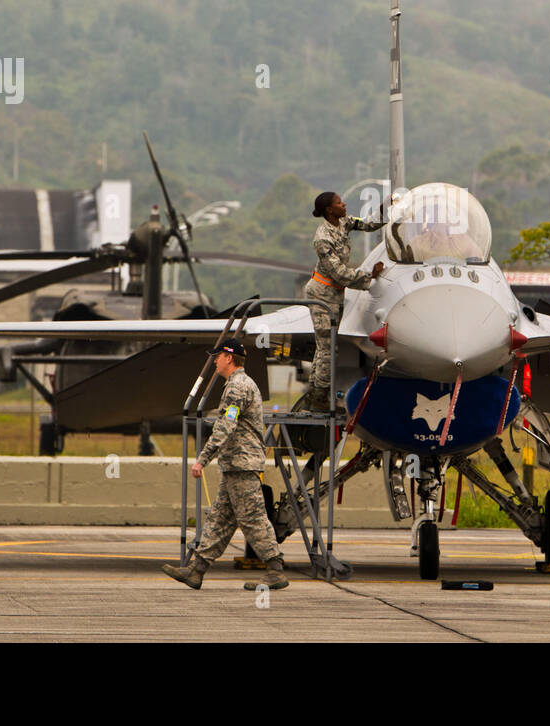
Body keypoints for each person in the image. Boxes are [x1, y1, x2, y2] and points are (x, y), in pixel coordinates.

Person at [161, 339, 287, 591]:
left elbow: (226, 425)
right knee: (219, 519)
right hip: (234, 465)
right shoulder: (237, 384)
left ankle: (275, 569)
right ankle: (196, 571)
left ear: (229, 358)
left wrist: (203, 458)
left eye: (217, 356)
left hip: (242, 464)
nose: (215, 361)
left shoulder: (238, 386)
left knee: (252, 518)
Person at [301, 191, 384, 411]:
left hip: (334, 294)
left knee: (324, 348)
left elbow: (367, 224)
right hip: (321, 295)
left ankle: (314, 395)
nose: (344, 204)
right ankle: (319, 399)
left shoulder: (343, 223)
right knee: (328, 350)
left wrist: (387, 209)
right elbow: (339, 274)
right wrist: (370, 276)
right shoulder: (323, 239)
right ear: (329, 210)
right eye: (339, 202)